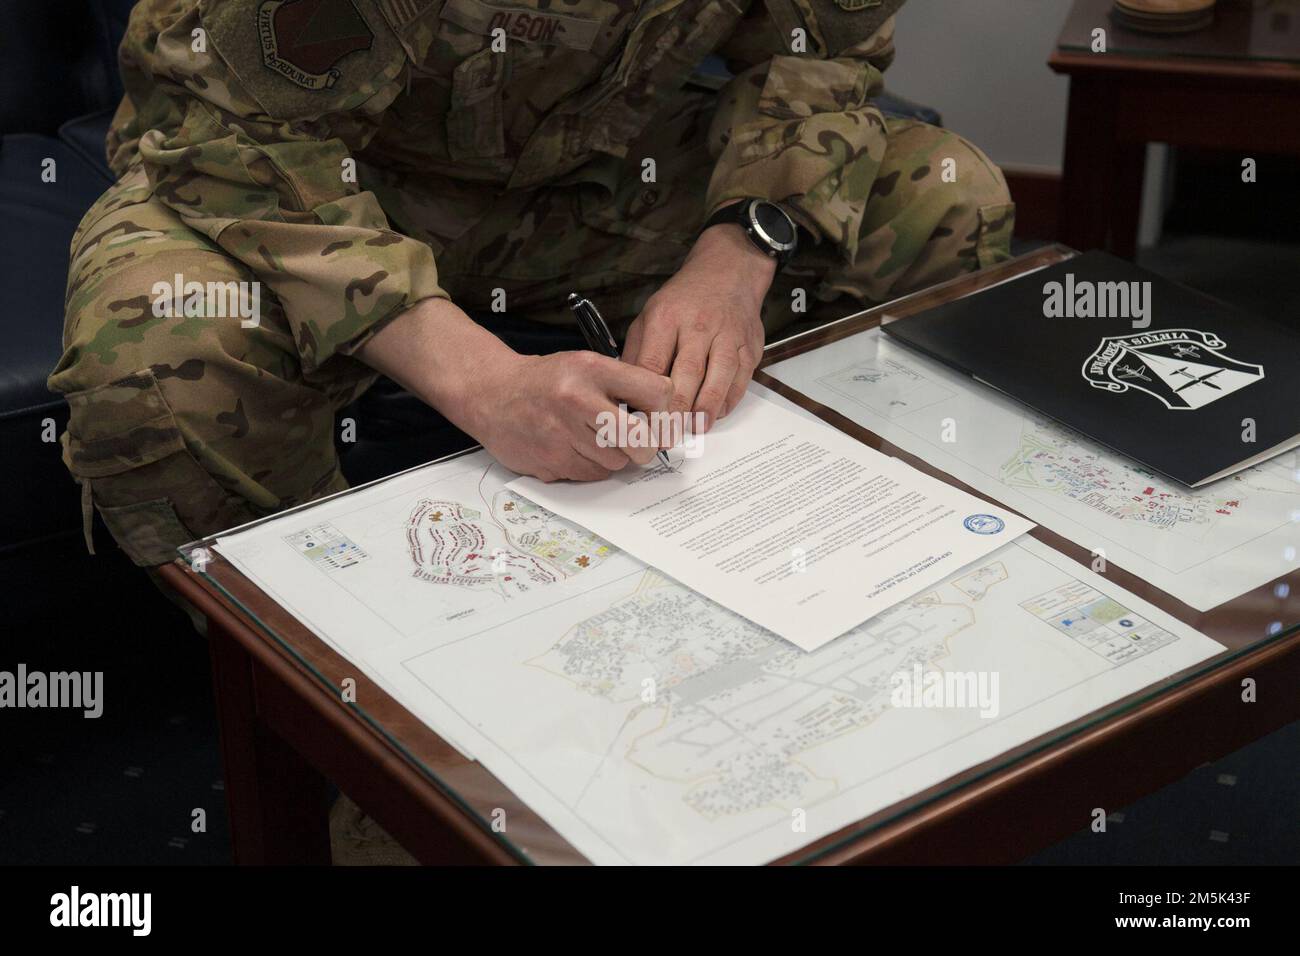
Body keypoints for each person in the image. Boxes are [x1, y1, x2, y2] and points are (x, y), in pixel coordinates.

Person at [49, 0, 1015, 567]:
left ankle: (838, 576)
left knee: (939, 199)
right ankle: (353, 710)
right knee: (163, 358)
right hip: (314, 184)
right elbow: (226, 134)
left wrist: (739, 246)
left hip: (595, 175)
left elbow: (819, 55)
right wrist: (479, 378)